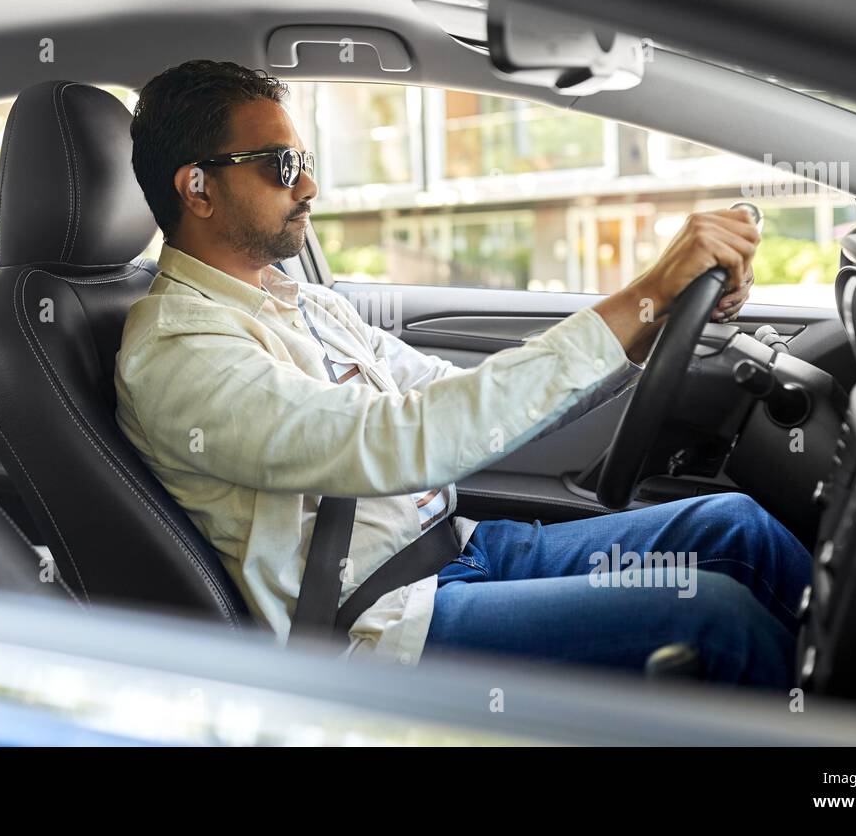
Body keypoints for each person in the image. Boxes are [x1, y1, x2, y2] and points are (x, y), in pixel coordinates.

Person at [114, 60, 811, 687]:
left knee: (736, 527)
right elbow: (401, 439)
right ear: (198, 190)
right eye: (282, 164)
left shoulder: (304, 304)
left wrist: (653, 317)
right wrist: (638, 296)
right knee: (710, 612)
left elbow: (459, 399)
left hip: (457, 551)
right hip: (381, 630)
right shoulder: (179, 351)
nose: (312, 184)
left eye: (305, 159)